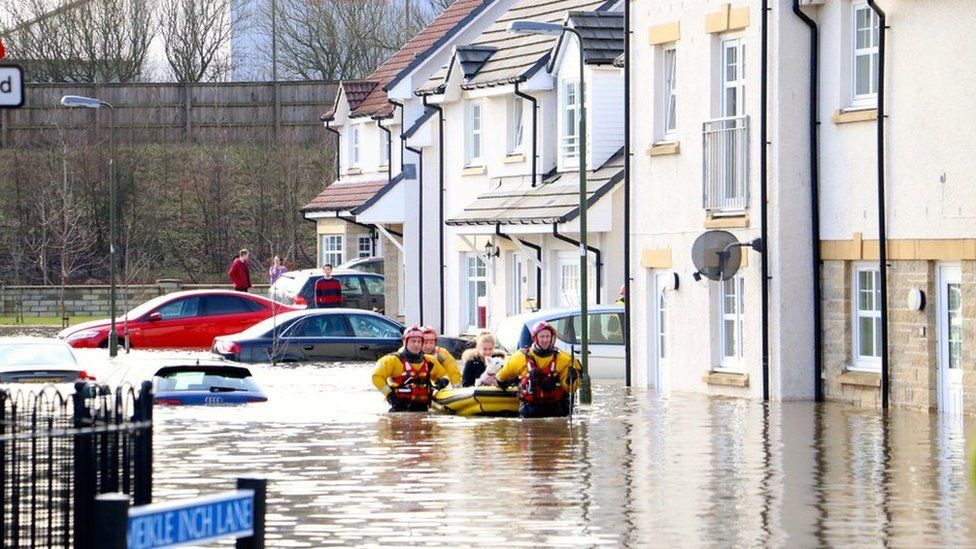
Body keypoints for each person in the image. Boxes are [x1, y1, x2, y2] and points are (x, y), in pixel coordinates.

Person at [496, 321, 580, 418]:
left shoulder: (565, 359)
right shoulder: (519, 357)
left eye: (548, 336)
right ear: (535, 338)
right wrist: (514, 382)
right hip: (529, 409)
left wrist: (572, 379)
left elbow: (570, 388)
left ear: (552, 338)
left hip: (556, 409)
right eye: (542, 336)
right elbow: (501, 378)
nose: (545, 340)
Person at [372, 325, 450, 412]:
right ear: (405, 342)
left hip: (423, 409)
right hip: (400, 408)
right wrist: (390, 395)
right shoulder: (392, 360)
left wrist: (442, 383)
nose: (416, 345)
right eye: (413, 341)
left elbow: (445, 375)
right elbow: (376, 377)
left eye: (419, 341)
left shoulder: (429, 361)